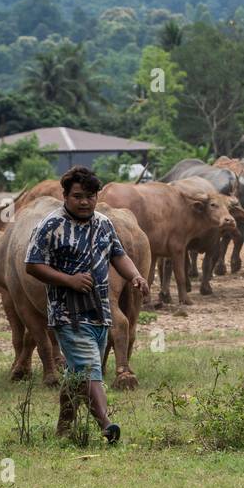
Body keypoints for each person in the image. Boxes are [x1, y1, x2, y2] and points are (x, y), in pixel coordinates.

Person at [25, 166, 149, 442]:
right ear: (65, 196)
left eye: (90, 196)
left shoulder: (104, 223)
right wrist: (68, 280)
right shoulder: (51, 225)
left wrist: (136, 276)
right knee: (91, 367)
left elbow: (118, 255)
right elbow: (32, 265)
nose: (84, 202)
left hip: (100, 312)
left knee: (76, 375)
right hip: (68, 314)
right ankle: (106, 424)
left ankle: (64, 429)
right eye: (78, 196)